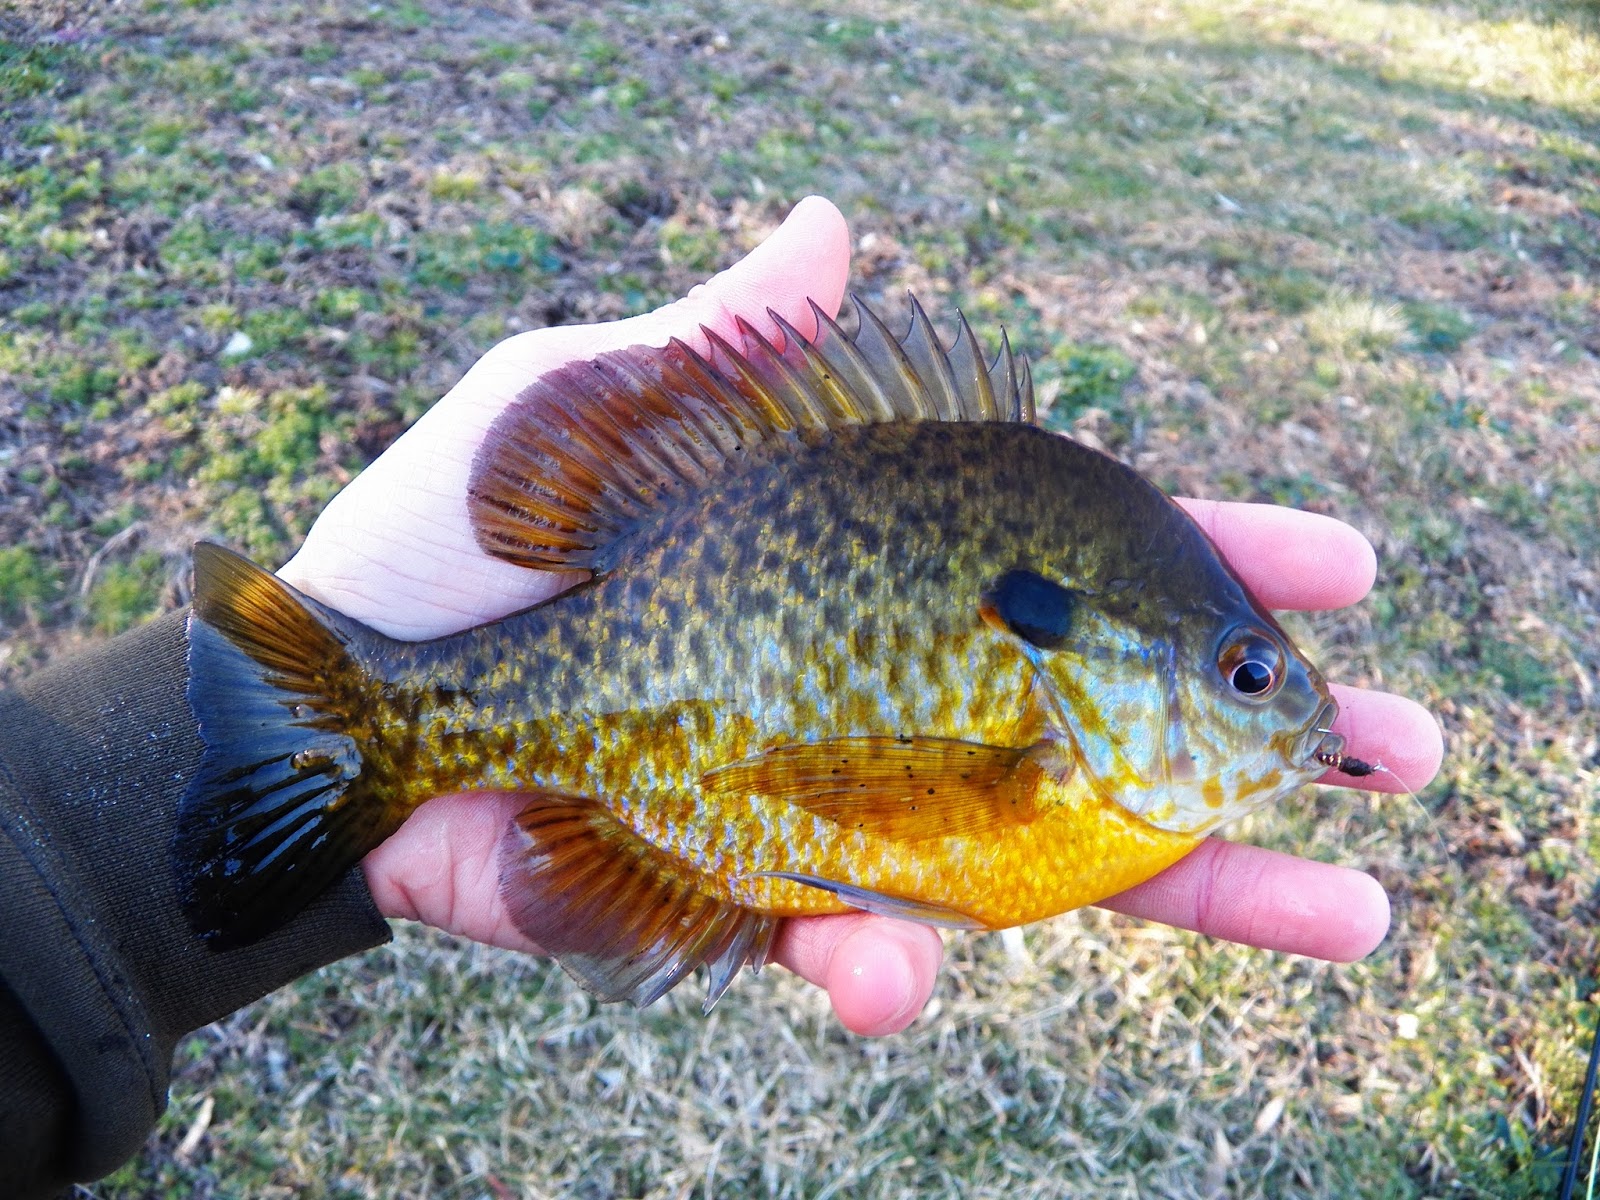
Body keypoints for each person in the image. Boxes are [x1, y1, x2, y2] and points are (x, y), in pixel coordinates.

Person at [0, 196, 1442, 1197]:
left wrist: (85, 863)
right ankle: (342, 718)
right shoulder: (1052, 766)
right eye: (1246, 674)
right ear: (1113, 644)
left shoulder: (1081, 754)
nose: (1274, 707)